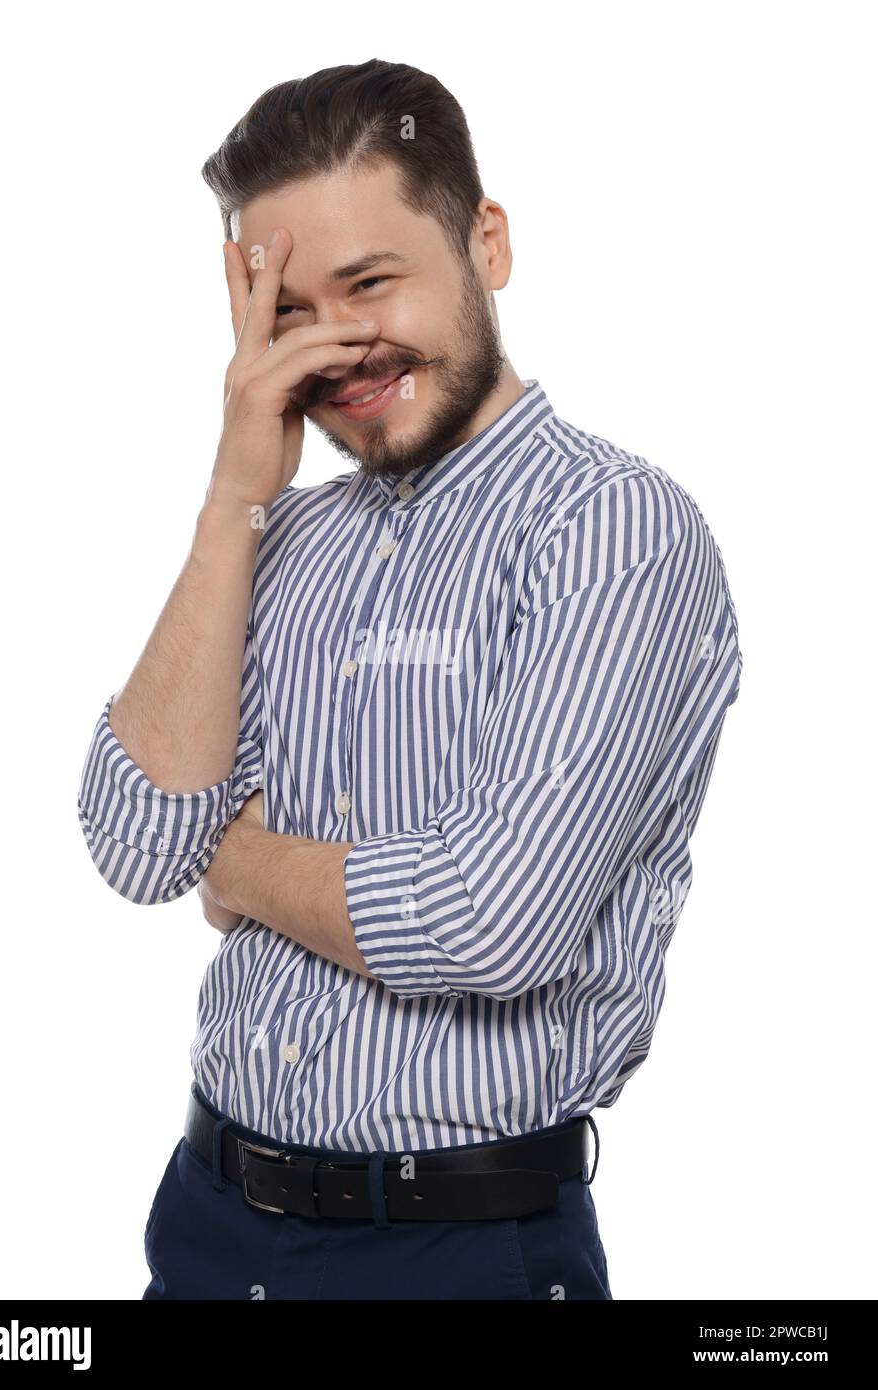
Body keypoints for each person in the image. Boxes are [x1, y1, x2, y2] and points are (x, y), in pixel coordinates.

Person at [77, 58, 743, 1301]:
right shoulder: (285, 544)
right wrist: (233, 498)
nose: (340, 346)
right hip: (211, 1220)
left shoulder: (610, 532)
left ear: (484, 241)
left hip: (455, 1250)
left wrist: (238, 863)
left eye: (371, 283)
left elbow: (491, 915)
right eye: (292, 314)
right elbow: (130, 842)